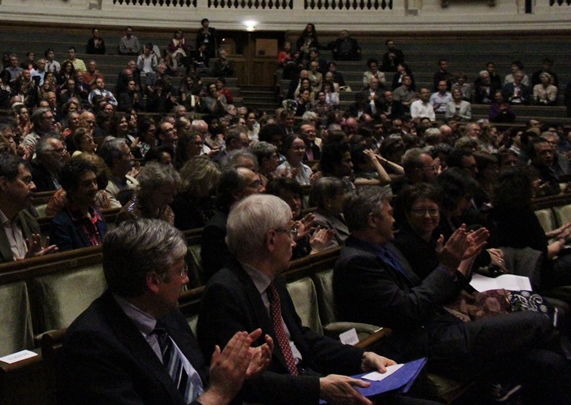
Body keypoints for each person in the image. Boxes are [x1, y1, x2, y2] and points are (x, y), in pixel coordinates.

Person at [333, 188, 570, 404]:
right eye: (389, 214)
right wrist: (445, 268)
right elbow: (408, 310)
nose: (394, 220)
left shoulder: (385, 249)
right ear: (373, 220)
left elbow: (428, 291)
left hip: (442, 325)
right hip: (423, 343)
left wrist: (458, 264)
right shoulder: (358, 262)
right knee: (536, 320)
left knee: (547, 362)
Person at [197, 194, 420, 405]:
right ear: (271, 239)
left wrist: (362, 357)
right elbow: (241, 379)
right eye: (290, 231)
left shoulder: (272, 279)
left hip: (309, 381)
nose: (294, 242)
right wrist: (317, 387)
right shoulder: (224, 292)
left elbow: (301, 338)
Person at [58, 218, 271, 405]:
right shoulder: (91, 345)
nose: (186, 279)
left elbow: (195, 382)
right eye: (180, 271)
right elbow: (209, 394)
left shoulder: (165, 311)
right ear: (153, 281)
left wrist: (235, 371)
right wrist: (218, 393)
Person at [50, 156, 108, 251]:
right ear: (71, 188)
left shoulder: (98, 215)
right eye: (87, 184)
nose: (94, 188)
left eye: (95, 182)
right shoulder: (61, 224)